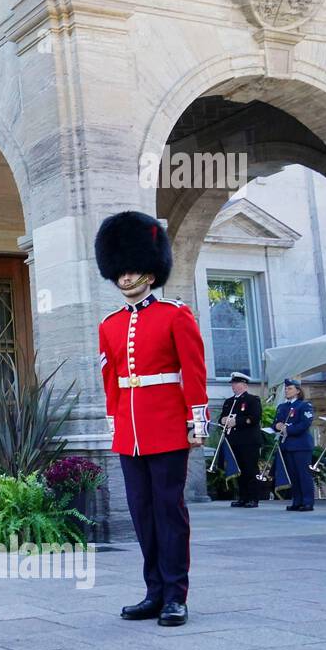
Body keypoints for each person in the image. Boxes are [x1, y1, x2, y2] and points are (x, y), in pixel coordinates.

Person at [96, 211, 208, 627]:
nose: (125, 278)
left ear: (150, 269)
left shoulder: (175, 314)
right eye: (119, 271)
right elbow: (111, 378)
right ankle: (153, 591)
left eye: (133, 270)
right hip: (130, 429)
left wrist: (196, 419)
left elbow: (192, 370)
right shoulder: (109, 324)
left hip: (167, 426)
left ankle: (176, 594)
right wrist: (115, 422)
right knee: (142, 512)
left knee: (169, 509)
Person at [220, 372, 265, 508]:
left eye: (236, 383)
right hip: (234, 441)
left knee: (250, 469)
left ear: (244, 385)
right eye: (232, 383)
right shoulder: (229, 402)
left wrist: (237, 421)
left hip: (249, 441)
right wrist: (223, 420)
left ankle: (253, 498)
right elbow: (222, 417)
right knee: (239, 470)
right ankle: (243, 497)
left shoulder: (252, 400)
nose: (233, 386)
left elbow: (255, 417)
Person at [275, 378, 316, 511]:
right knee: (293, 475)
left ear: (298, 391)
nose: (287, 391)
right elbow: (276, 422)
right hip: (287, 445)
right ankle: (297, 501)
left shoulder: (304, 405)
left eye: (290, 388)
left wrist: (287, 429)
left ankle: (308, 502)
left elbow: (305, 423)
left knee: (303, 475)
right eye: (286, 389)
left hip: (301, 446)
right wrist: (277, 425)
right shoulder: (282, 407)